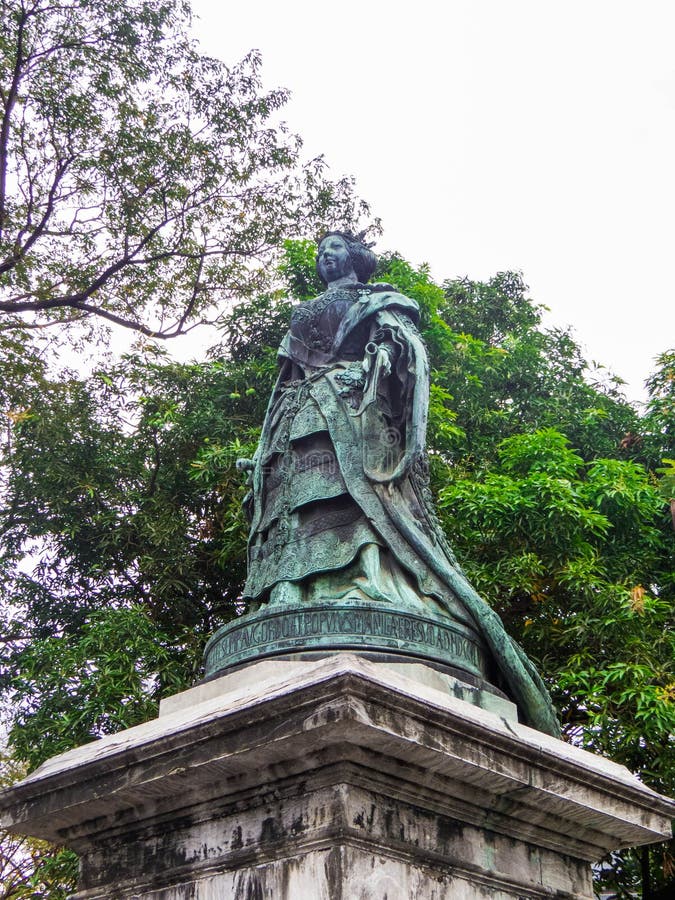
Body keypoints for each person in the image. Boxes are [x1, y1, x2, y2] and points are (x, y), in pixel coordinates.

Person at [240, 231, 558, 735]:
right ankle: (291, 593)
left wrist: (386, 353)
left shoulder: (378, 300)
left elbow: (402, 342)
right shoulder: (302, 313)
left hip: (359, 406)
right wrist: (263, 447)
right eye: (320, 249)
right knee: (300, 503)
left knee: (362, 505)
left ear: (356, 258)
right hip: (302, 416)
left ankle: (370, 584)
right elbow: (285, 382)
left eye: (336, 247)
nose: (326, 255)